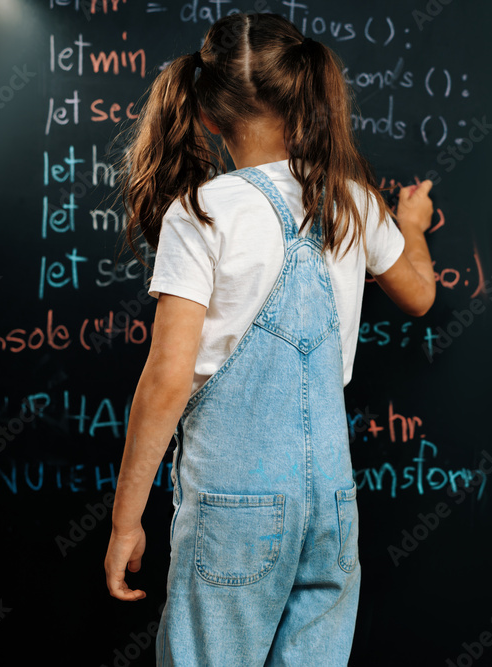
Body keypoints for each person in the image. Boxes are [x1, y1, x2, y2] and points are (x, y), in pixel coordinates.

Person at [103, 12, 436, 666]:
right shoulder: (351, 198)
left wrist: (124, 521)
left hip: (235, 509)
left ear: (207, 113)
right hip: (332, 506)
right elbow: (420, 294)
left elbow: (168, 379)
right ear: (301, 95)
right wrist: (411, 224)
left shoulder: (204, 212)